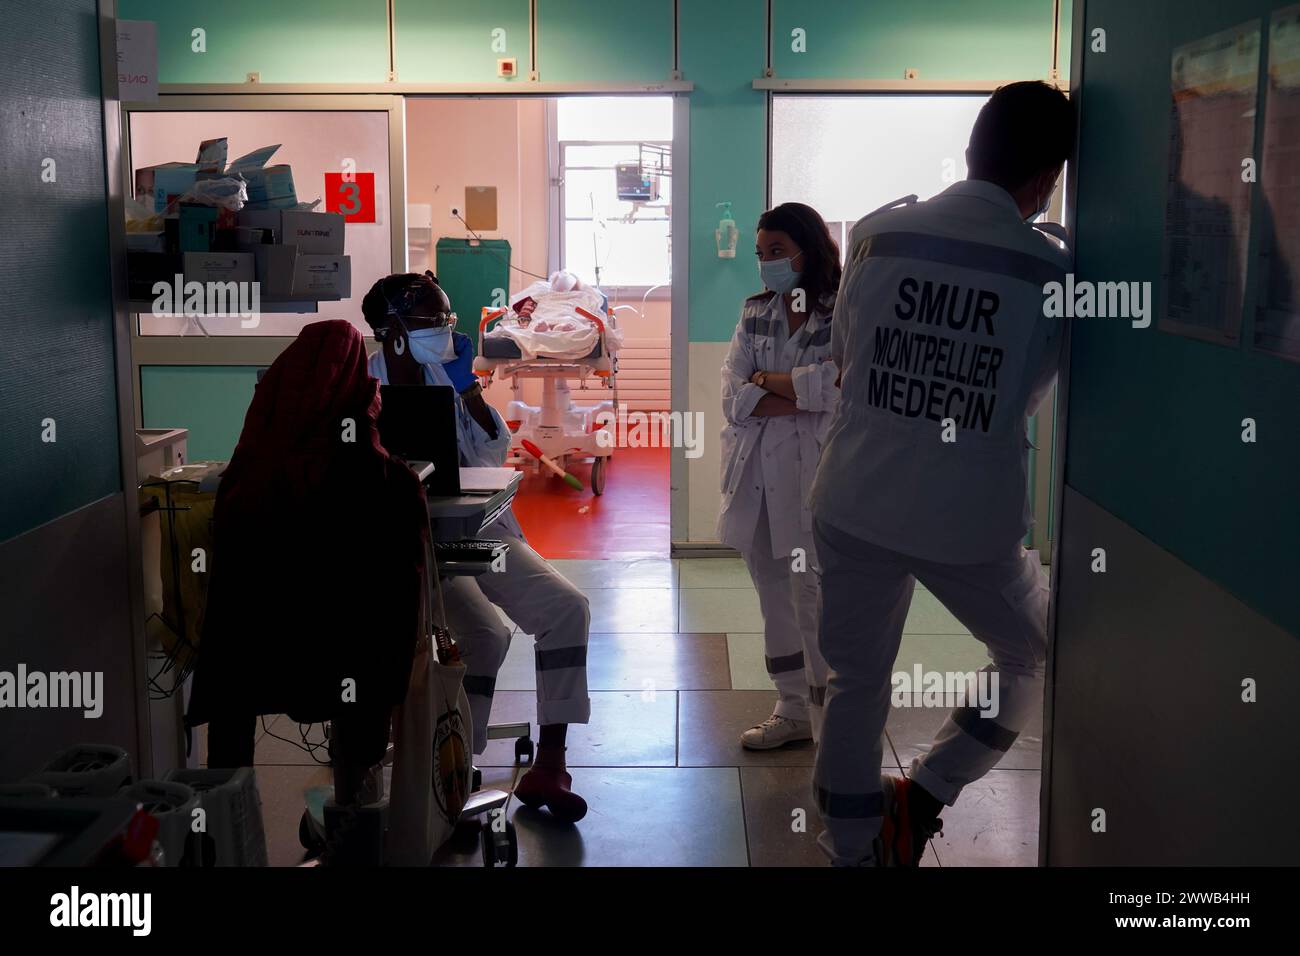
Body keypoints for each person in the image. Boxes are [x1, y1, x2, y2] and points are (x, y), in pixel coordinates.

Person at [809, 81, 1074, 866]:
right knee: (1029, 655)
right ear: (1045, 180)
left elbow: (848, 360)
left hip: (853, 495)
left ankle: (854, 848)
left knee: (855, 680)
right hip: (968, 518)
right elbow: (1032, 390)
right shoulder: (1050, 269)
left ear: (970, 152)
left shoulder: (881, 235)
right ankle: (924, 795)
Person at [363, 271, 592, 823]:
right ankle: (455, 759)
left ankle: (551, 762)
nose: (445, 328)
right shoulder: (357, 385)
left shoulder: (450, 375)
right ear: (392, 329)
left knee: (566, 609)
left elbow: (490, 457)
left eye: (447, 318)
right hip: (390, 540)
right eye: (431, 319)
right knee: (483, 635)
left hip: (472, 527)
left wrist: (467, 387)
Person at [718, 203, 842, 750]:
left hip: (814, 479)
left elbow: (838, 391)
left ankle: (833, 714)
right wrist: (795, 389)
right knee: (773, 594)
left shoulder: (841, 314)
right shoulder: (754, 313)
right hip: (758, 480)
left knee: (813, 595)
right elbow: (731, 396)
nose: (766, 263)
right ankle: (791, 708)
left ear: (807, 251)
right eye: (760, 253)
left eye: (776, 252)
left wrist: (767, 384)